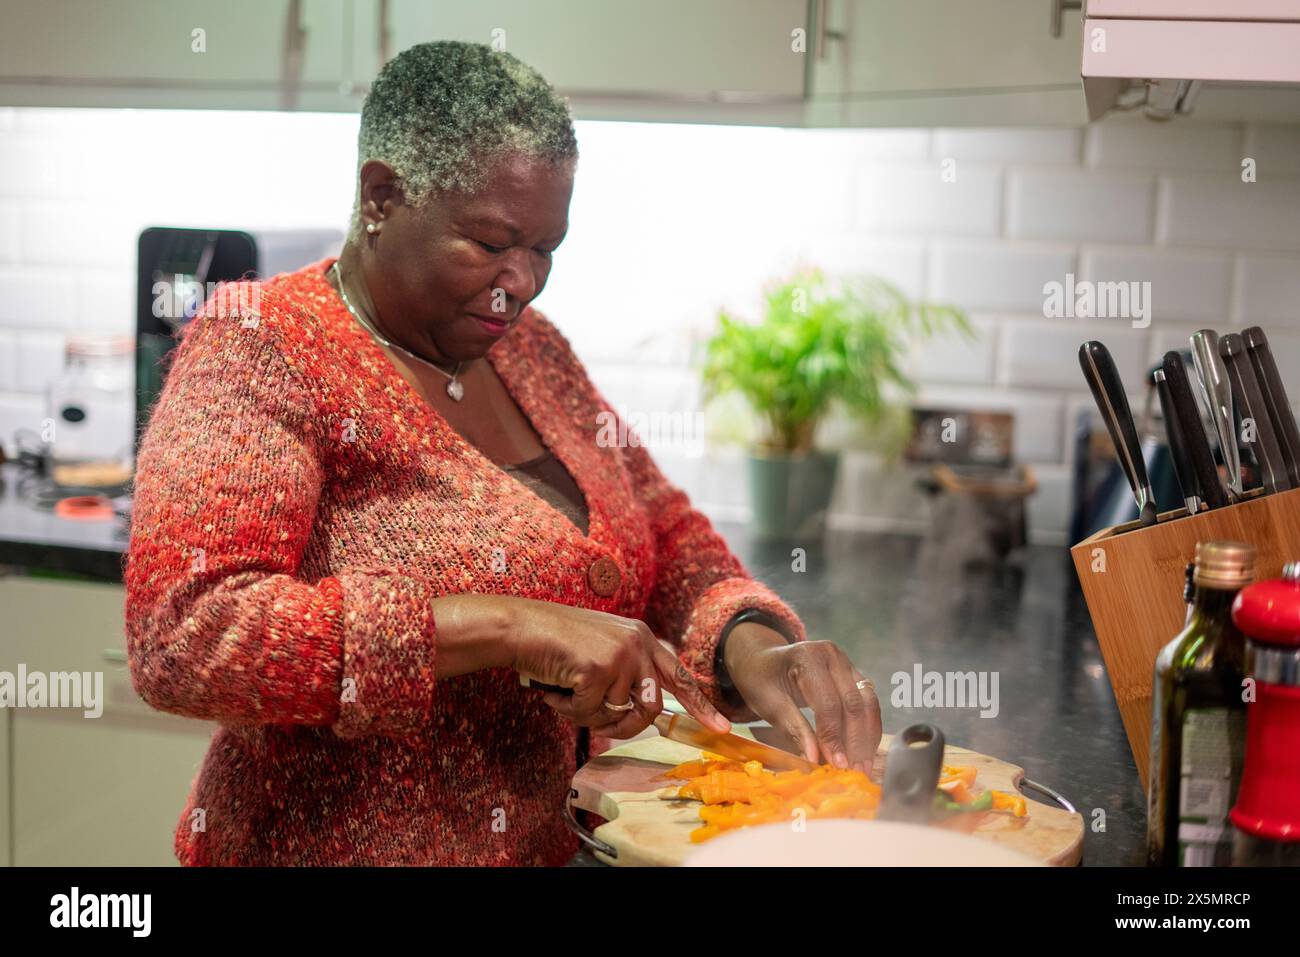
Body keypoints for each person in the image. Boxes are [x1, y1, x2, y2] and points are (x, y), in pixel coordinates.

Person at [125, 40, 881, 866]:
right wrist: (511, 625)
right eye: (490, 244)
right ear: (382, 196)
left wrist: (748, 639)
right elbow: (187, 634)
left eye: (545, 250)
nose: (519, 282)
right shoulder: (263, 344)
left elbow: (662, 535)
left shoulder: (531, 351)